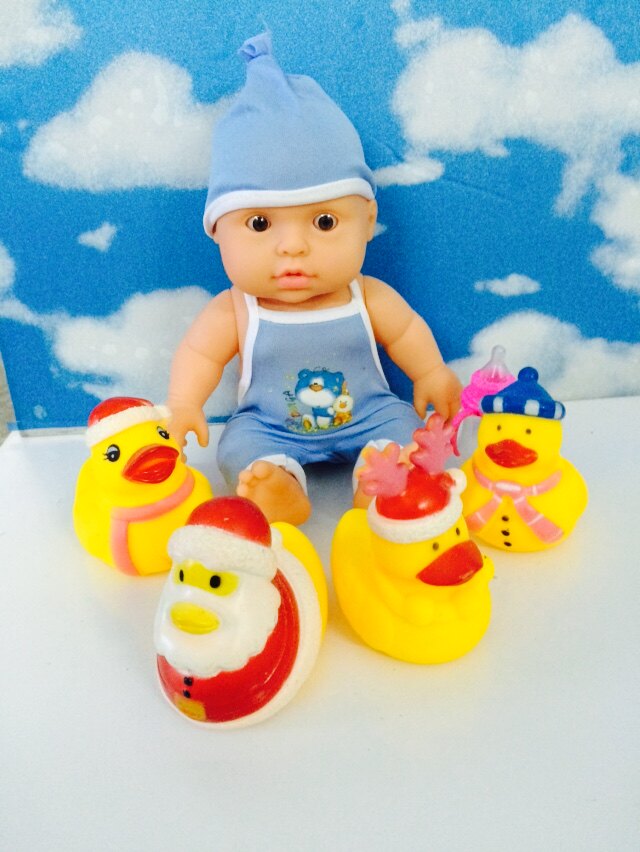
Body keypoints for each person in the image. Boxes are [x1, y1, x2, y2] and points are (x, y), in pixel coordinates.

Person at [167, 33, 461, 525]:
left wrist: (430, 373)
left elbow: (406, 331)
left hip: (369, 414)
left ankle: (381, 478)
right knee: (237, 447)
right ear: (217, 232)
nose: (293, 247)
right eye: (260, 224)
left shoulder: (367, 296)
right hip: (269, 426)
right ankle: (276, 484)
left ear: (367, 222)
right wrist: (183, 403)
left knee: (403, 430)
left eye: (324, 222)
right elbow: (200, 354)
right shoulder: (236, 310)